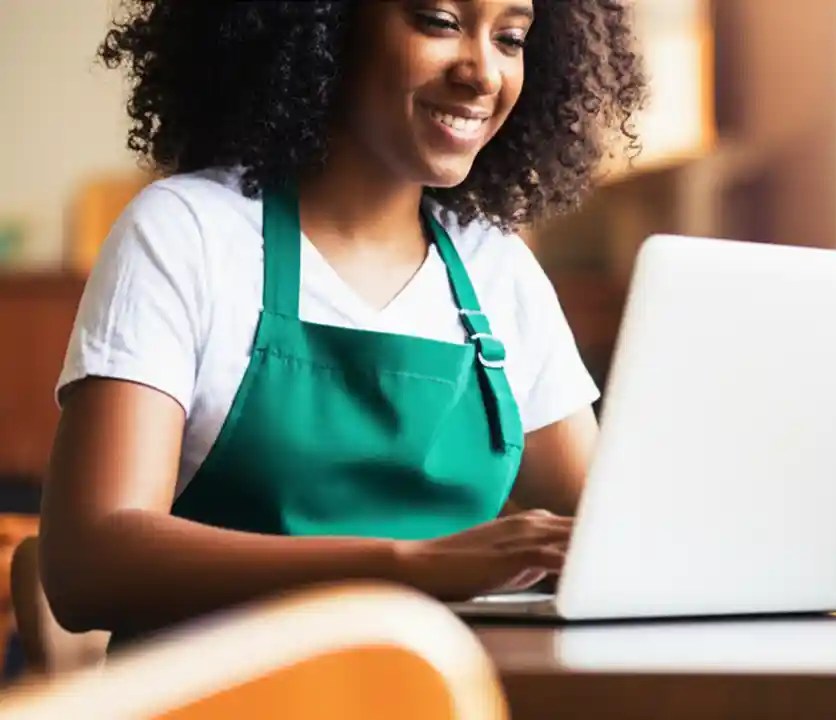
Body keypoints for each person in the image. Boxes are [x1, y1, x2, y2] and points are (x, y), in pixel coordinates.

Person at [39, 0, 646, 645]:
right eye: (440, 23)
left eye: (511, 38)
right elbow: (89, 562)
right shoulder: (186, 234)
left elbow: (619, 532)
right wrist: (405, 567)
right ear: (329, 24)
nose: (484, 74)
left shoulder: (497, 270)